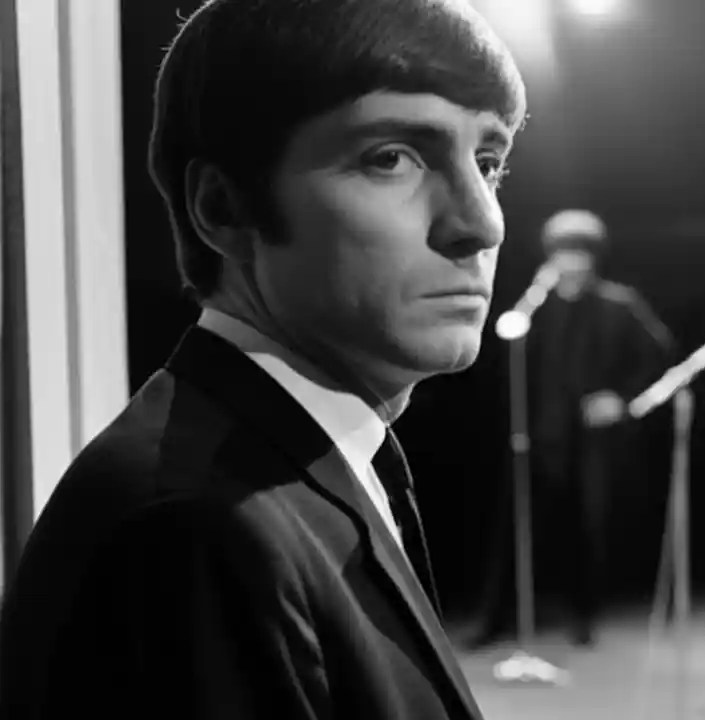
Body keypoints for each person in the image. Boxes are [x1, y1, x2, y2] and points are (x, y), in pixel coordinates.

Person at [0, 1, 526, 717]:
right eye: (392, 157)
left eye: (489, 162)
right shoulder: (195, 530)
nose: (482, 222)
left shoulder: (290, 466)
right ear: (222, 208)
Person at [468, 209, 674, 649]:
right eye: (564, 254)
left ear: (594, 258)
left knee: (584, 530)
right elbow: (505, 359)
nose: (572, 263)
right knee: (515, 531)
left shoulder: (619, 304)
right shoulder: (536, 307)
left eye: (580, 254)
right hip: (537, 437)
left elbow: (658, 359)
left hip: (591, 443)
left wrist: (620, 399)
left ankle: (583, 617)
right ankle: (495, 620)